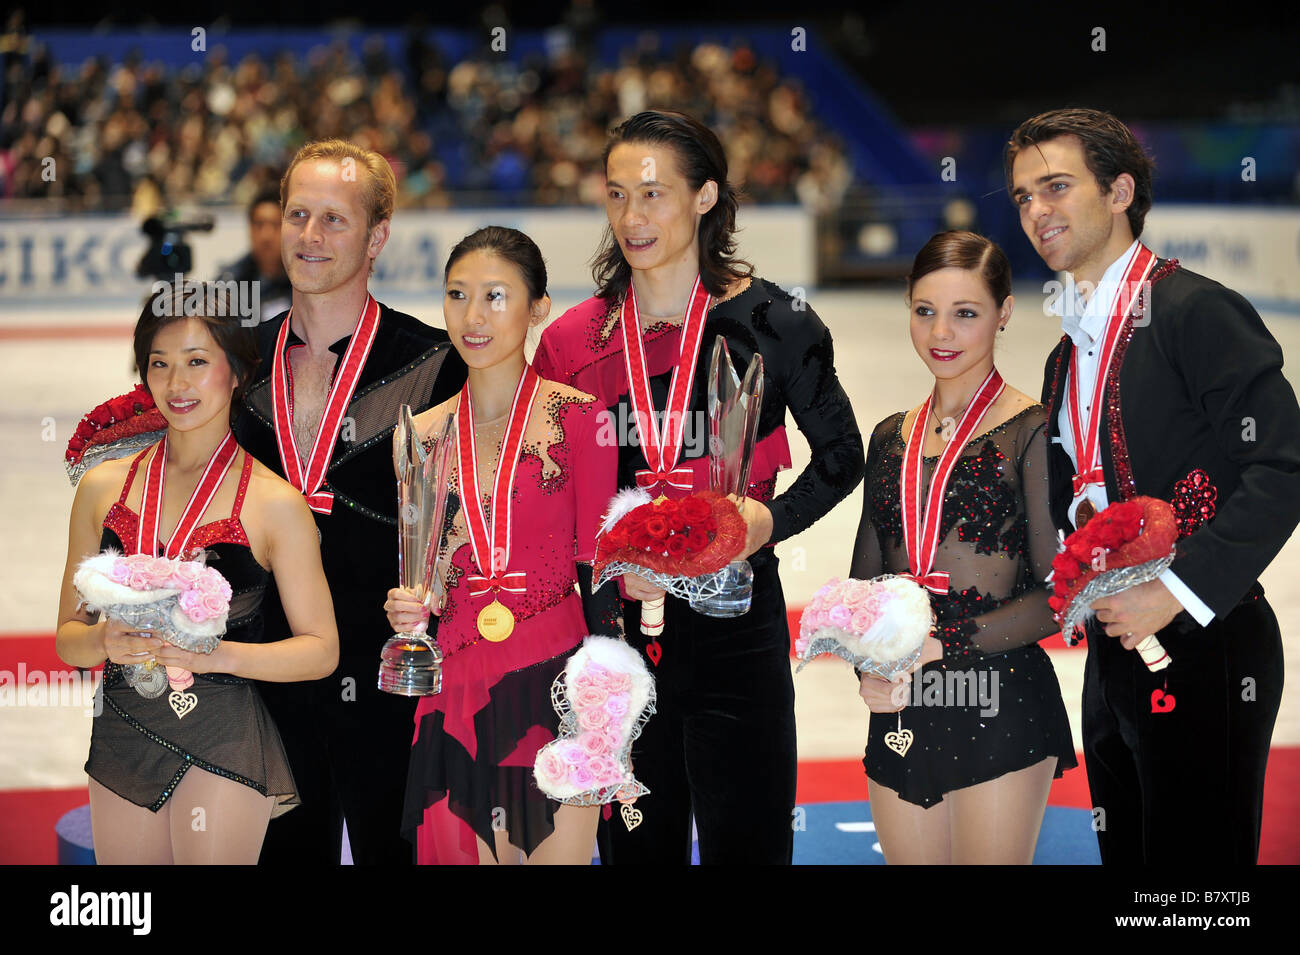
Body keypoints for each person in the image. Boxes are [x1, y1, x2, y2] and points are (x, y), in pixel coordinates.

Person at [533, 109, 864, 864]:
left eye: (652, 194)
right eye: (616, 195)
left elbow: (843, 455)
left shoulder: (776, 321)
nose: (631, 216)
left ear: (706, 196)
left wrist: (765, 522)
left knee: (748, 846)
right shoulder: (571, 340)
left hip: (735, 625)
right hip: (614, 637)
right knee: (635, 853)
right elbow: (546, 494)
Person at [1007, 108, 1300, 865]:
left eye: (1056, 186)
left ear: (1119, 191)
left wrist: (1179, 591)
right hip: (1115, 651)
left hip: (1209, 641)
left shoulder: (1193, 311)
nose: (1037, 210)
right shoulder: (1066, 355)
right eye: (1022, 197)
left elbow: (1283, 463)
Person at [232, 139, 467, 865]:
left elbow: (477, 516)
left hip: (393, 675)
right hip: (264, 677)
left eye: (334, 219)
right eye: (297, 213)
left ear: (378, 237)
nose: (308, 235)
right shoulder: (238, 362)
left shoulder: (436, 361)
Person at [55, 283, 339, 864]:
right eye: (159, 364)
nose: (177, 384)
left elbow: (321, 650)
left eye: (197, 362)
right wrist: (103, 639)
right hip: (123, 726)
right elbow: (68, 640)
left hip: (224, 733)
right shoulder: (103, 487)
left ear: (236, 372)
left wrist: (221, 656)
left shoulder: (275, 503)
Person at [384, 226, 623, 864]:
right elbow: (426, 571)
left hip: (558, 685)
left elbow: (601, 574)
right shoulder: (422, 437)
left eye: (496, 295)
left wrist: (613, 716)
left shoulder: (582, 420)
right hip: (455, 685)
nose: (473, 316)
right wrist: (411, 603)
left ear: (537, 308)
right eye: (457, 295)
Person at [850, 231, 1076, 864]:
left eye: (965, 313)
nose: (941, 333)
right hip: (902, 703)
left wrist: (935, 646)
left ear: (1004, 313)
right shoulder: (890, 437)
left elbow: (1056, 597)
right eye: (925, 311)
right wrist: (869, 664)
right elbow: (864, 587)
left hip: (998, 695)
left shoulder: (1031, 432)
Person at [216, 187, 294, 324]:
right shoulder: (231, 281)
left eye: (275, 225)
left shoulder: (303, 280)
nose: (266, 236)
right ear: (250, 229)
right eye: (259, 225)